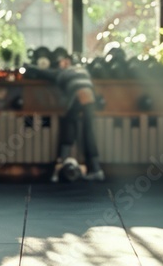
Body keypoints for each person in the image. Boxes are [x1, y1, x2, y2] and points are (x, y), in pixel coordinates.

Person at [24, 48, 105, 181]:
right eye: (61, 61)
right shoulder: (82, 70)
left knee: (68, 125)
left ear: (67, 62)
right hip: (90, 98)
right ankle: (97, 170)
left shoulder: (60, 72)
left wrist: (28, 66)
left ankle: (59, 169)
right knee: (87, 131)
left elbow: (41, 72)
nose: (63, 62)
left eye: (64, 61)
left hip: (78, 96)